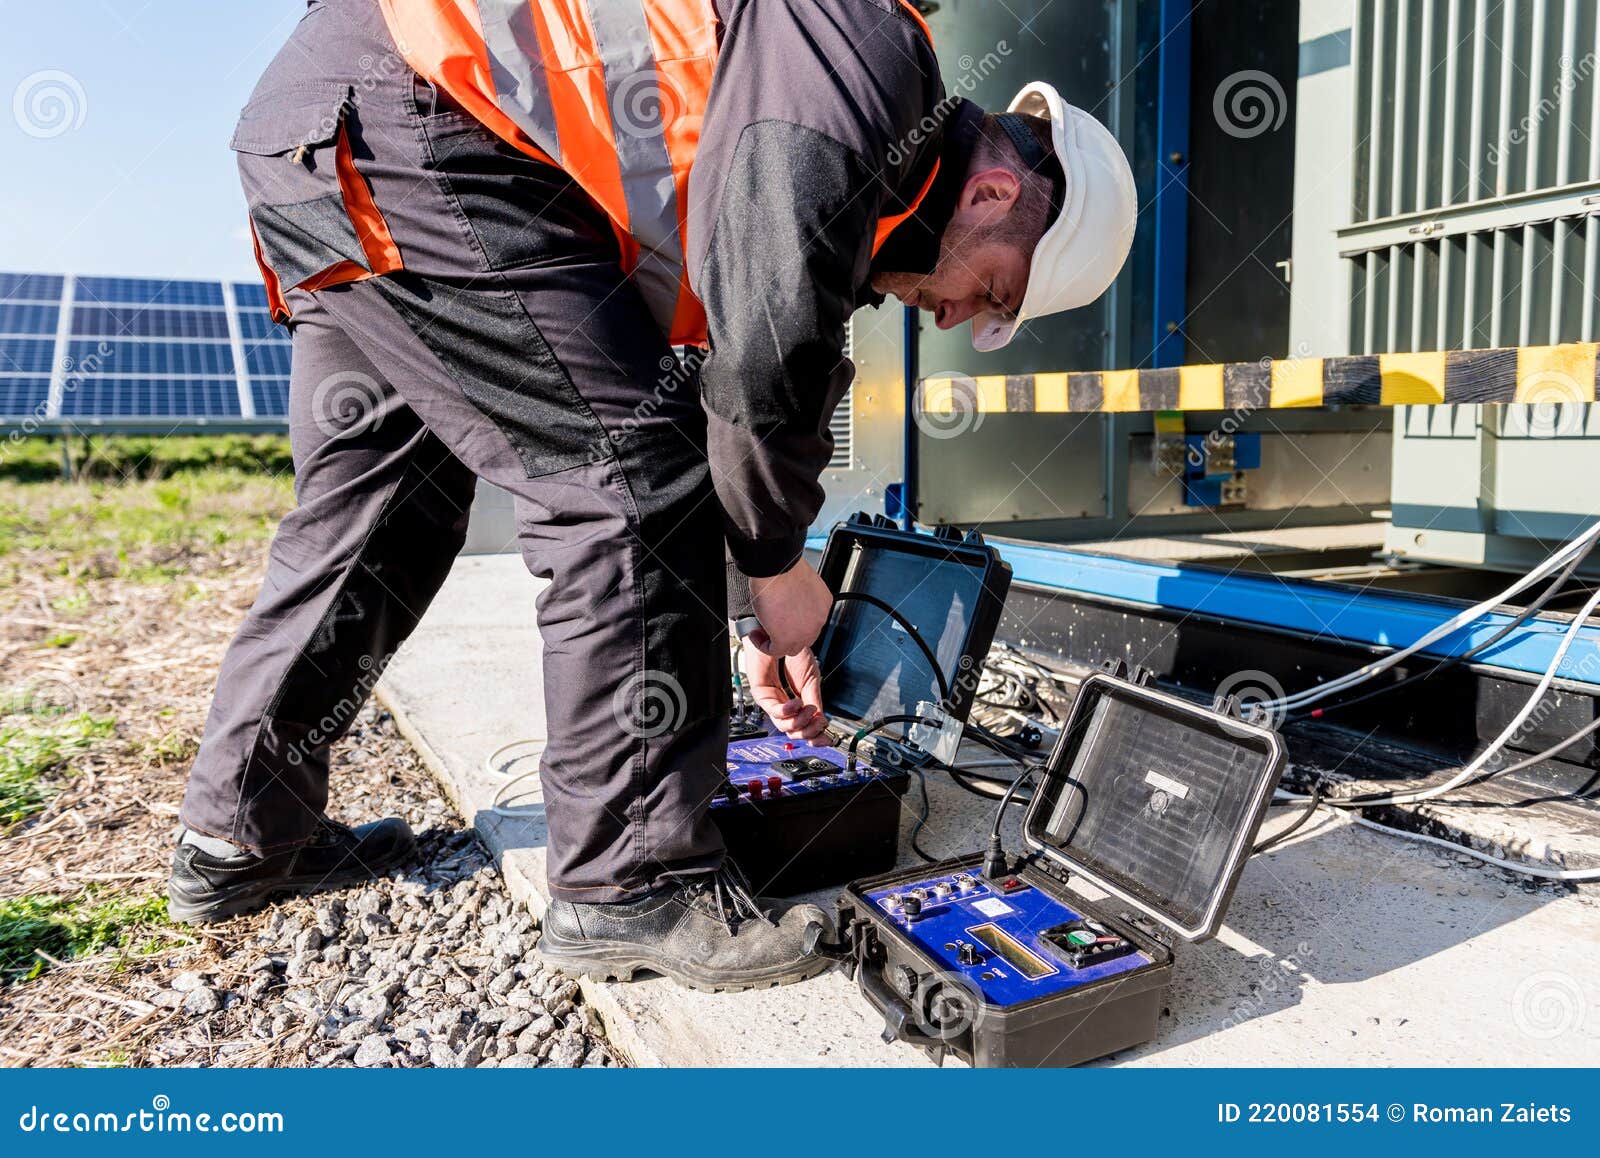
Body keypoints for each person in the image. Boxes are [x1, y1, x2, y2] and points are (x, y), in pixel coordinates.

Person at [168, 0, 1136, 993]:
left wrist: (760, 600)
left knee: (381, 517)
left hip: (339, 129)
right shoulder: (871, 65)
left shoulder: (862, 148)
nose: (958, 317)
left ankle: (239, 837)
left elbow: (745, 360)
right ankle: (628, 884)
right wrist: (772, 563)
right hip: (422, 119)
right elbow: (765, 345)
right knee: (628, 480)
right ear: (992, 191)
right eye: (995, 293)